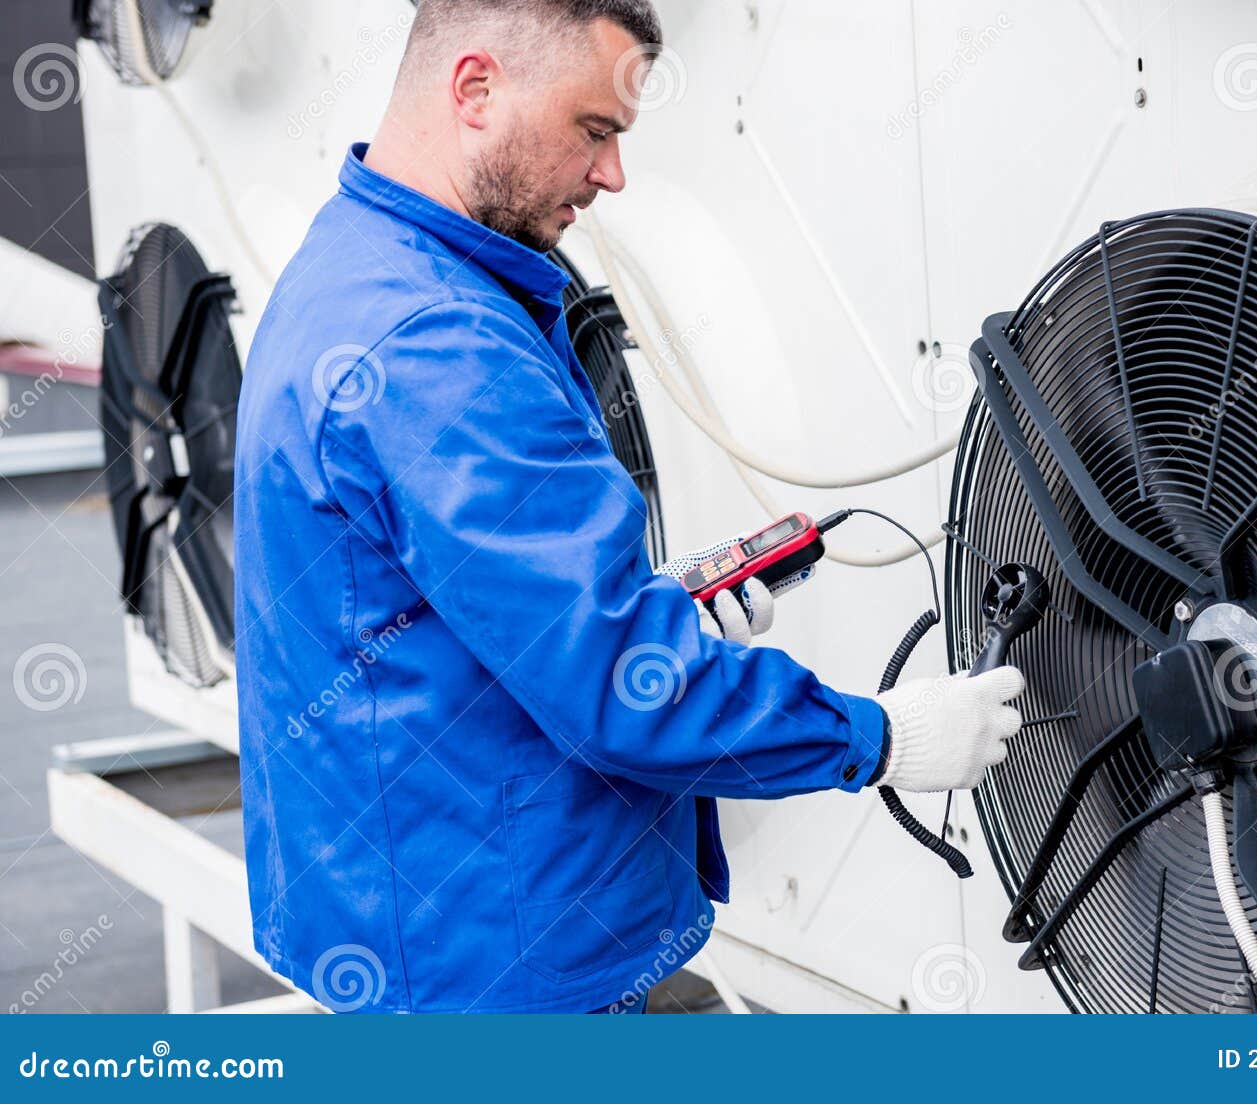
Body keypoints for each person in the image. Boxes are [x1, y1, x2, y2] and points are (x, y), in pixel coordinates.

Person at [234, 0, 1025, 1014]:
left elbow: (446, 601)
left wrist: (641, 615)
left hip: (409, 921)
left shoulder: (355, 258)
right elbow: (620, 691)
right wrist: (882, 738)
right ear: (475, 89)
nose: (612, 176)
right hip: (498, 971)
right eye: (595, 130)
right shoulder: (442, 345)